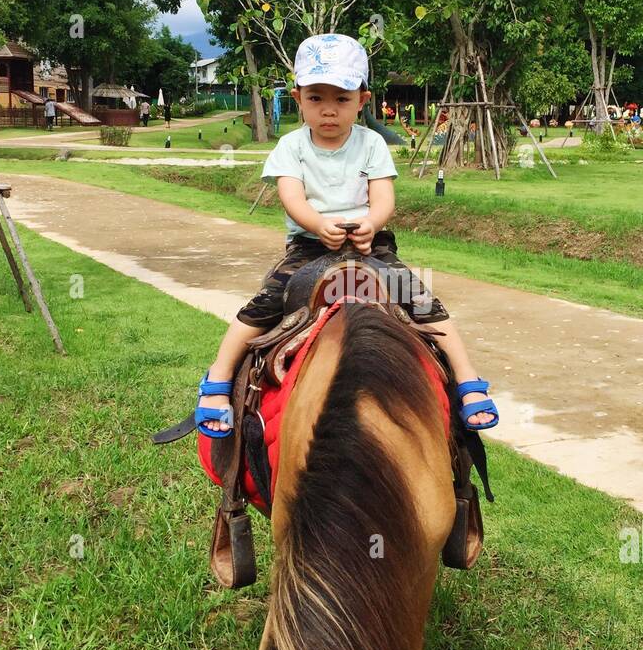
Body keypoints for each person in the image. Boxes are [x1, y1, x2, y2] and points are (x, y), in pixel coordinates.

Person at [196, 33, 500, 437]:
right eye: (317, 98)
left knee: (422, 300)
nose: (328, 111)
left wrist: (372, 223)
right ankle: (218, 380)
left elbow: (383, 197)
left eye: (341, 99)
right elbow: (291, 196)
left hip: (368, 244)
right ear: (298, 97)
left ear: (362, 100)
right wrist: (317, 224)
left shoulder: (372, 143)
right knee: (265, 303)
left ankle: (465, 378)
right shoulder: (291, 146)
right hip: (309, 247)